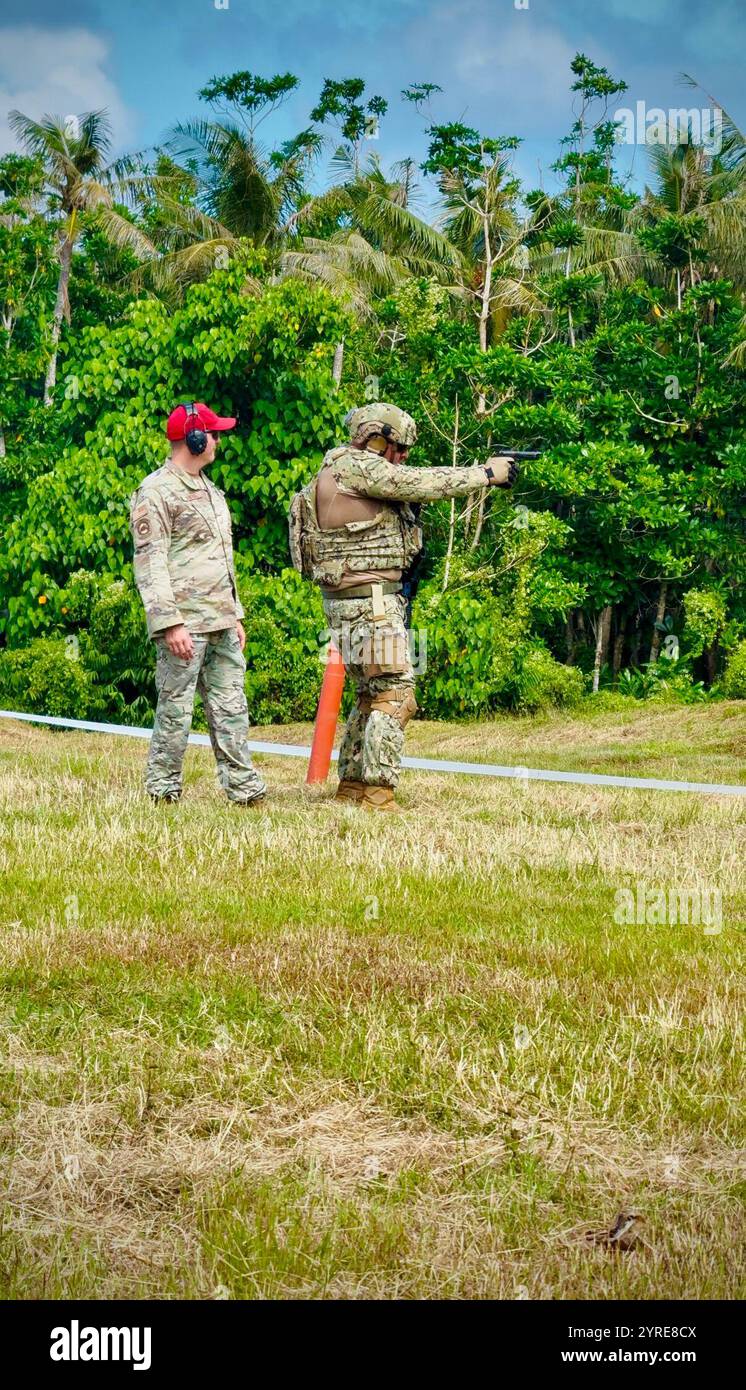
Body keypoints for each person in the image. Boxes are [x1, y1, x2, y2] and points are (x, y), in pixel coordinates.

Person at [289, 402, 518, 811]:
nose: (404, 455)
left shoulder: (335, 469)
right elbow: (419, 483)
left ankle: (353, 787)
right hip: (371, 606)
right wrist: (486, 474)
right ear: (377, 439)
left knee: (370, 694)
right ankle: (378, 794)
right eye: (400, 446)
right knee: (396, 693)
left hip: (352, 604)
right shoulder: (357, 467)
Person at [130, 401, 266, 806]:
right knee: (175, 711)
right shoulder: (155, 492)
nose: (218, 440)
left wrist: (235, 614)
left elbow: (223, 559)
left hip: (220, 620)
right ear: (194, 437)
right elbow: (150, 563)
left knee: (232, 707)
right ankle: (163, 789)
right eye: (214, 433)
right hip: (185, 624)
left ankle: (243, 789)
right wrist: (169, 623)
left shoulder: (211, 491)